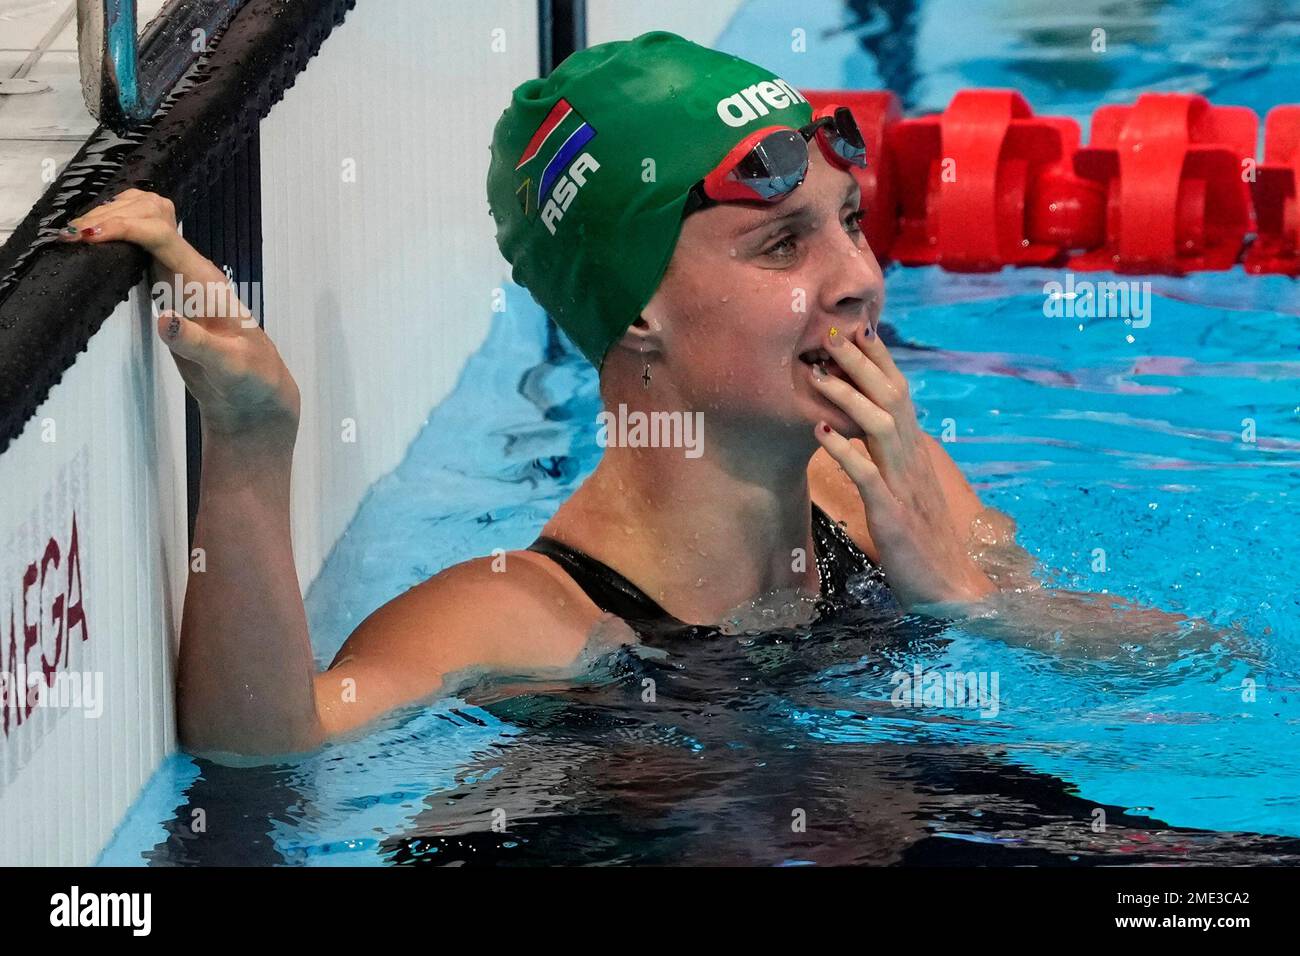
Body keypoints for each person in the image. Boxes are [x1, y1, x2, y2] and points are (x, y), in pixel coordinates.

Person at [59, 32, 1199, 758]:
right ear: (633, 310)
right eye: (780, 246)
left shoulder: (876, 484)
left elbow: (1186, 663)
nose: (858, 281)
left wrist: (962, 598)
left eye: (848, 222)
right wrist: (253, 445)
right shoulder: (527, 616)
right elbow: (270, 746)